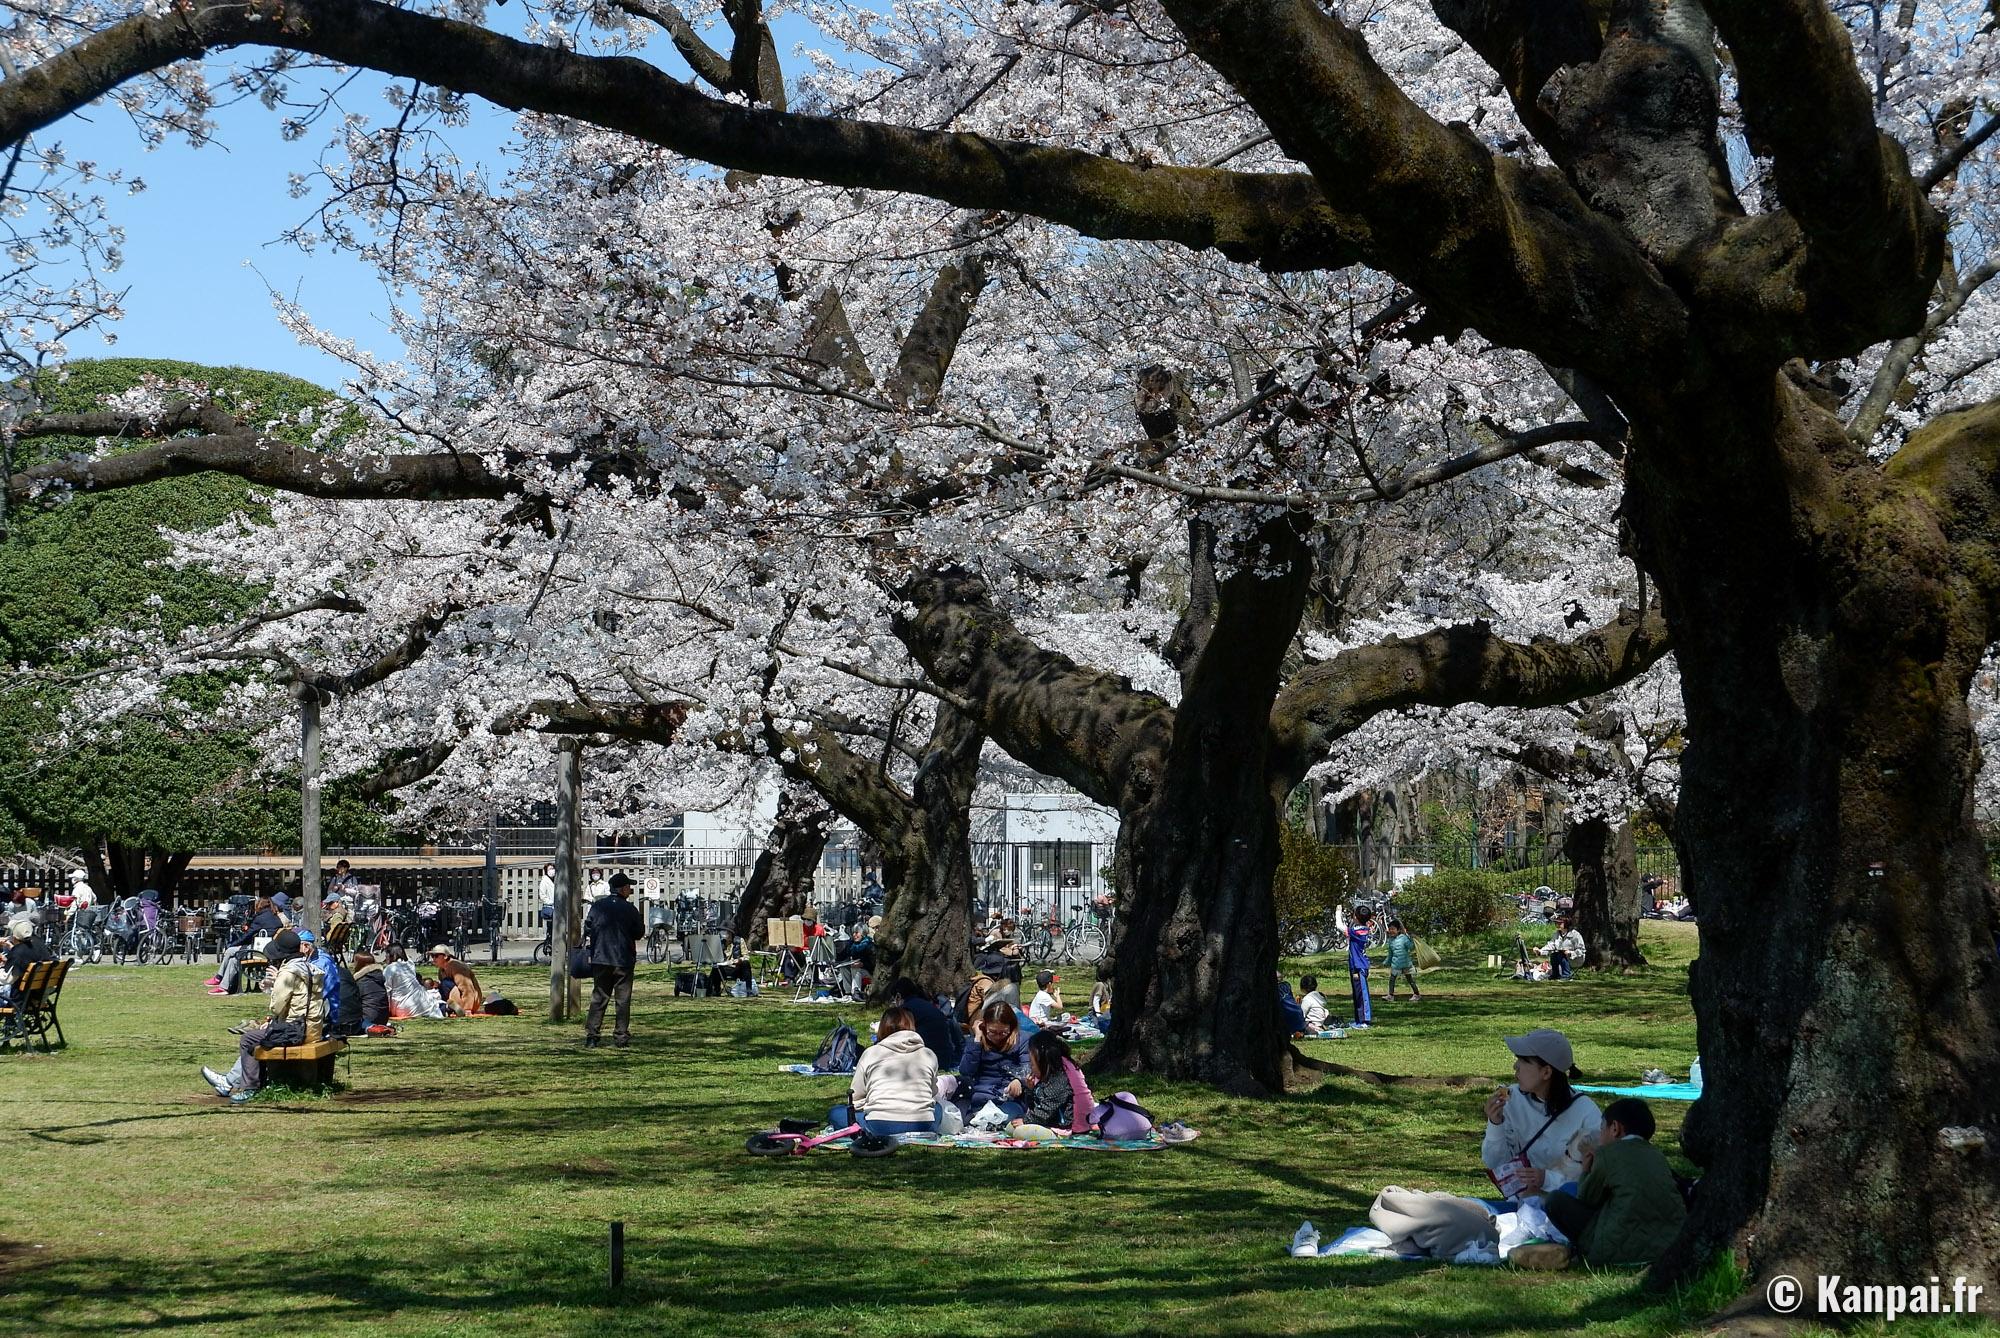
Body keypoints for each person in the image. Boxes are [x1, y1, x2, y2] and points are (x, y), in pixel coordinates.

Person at [1520, 1097, 1687, 1270]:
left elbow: (1586, 1198)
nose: (1600, 1136)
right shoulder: (1657, 1155)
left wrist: (1586, 1170)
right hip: (1667, 1244)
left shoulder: (1607, 1153)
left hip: (1616, 1248)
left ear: (1614, 1128)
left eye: (1602, 1129)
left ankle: (1582, 1248)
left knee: (1556, 1200)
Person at [199, 930, 326, 1103]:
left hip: (296, 1030)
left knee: (248, 1039)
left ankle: (250, 1088)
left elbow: (276, 1007)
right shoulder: (309, 968)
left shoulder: (288, 973)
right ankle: (230, 1083)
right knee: (262, 1033)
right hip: (313, 1028)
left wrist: (273, 987)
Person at [1481, 1029, 1602, 1200]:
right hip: (1519, 1205)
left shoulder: (1586, 1113)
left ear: (1546, 1072)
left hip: (1565, 1210)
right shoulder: (1512, 1099)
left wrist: (1546, 1179)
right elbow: (1495, 1163)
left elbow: (1595, 1179)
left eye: (1523, 1060)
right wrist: (1495, 1123)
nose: (1515, 1066)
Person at [829, 1006, 942, 1136]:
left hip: (878, 1124)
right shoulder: (928, 1054)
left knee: (836, 1113)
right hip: (923, 1124)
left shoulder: (871, 1053)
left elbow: (856, 1097)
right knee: (938, 1108)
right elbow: (932, 1092)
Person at [582, 870, 642, 1048]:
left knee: (599, 997)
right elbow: (639, 933)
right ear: (622, 889)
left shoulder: (598, 906)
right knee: (622, 1000)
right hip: (623, 959)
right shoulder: (630, 909)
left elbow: (588, 927)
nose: (629, 890)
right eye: (628, 887)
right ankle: (621, 1036)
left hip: (601, 958)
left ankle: (592, 1036)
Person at [953, 1001, 1030, 1119]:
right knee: (963, 1118)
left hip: (1009, 1098)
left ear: (1011, 1027)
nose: (998, 1037)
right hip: (980, 1095)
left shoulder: (1022, 1040)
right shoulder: (977, 1041)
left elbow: (1028, 1068)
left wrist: (1019, 1080)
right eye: (992, 1032)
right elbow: (966, 1071)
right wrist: (977, 1040)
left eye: (1003, 1032)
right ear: (984, 1026)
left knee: (1003, 1117)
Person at [1014, 1028, 1095, 1134]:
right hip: (1060, 1121)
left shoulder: (1059, 1078)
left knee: (1020, 1132)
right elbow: (1036, 1104)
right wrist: (1030, 1089)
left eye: (1032, 1064)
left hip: (1070, 1126)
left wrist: (1025, 1121)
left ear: (1043, 1061)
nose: (1031, 1068)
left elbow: (1047, 1109)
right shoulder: (1053, 1068)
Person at [211, 896, 287, 995]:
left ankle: (219, 978)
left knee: (230, 951)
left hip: (261, 950)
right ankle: (224, 987)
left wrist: (232, 944)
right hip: (270, 949)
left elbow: (247, 936)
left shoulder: (260, 918)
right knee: (234, 960)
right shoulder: (274, 916)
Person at [889, 976, 962, 1069]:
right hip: (945, 1058)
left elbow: (896, 1036)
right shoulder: (926, 1005)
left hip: (927, 1060)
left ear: (898, 996)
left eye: (893, 999)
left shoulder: (906, 1009)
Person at [300, 930, 343, 1030]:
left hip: (328, 1011)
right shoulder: (317, 955)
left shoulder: (320, 964)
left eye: (297, 947)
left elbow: (315, 992)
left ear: (306, 946)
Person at [2, 917, 51, 1003]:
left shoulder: (18, 952)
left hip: (20, 999)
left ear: (14, 936)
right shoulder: (39, 943)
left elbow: (7, 979)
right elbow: (28, 957)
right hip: (38, 994)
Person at [427, 946, 485, 1016]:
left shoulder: (457, 967)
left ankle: (455, 1008)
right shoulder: (441, 969)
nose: (433, 959)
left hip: (470, 1002)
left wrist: (467, 1009)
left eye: (436, 956)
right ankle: (445, 1008)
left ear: (445, 956)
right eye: (432, 956)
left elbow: (466, 988)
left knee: (445, 983)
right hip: (455, 998)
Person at [349, 951, 392, 1031]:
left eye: (354, 962)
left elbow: (353, 1002)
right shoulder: (378, 977)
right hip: (383, 1018)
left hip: (368, 1019)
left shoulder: (361, 981)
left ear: (359, 964)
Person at [1347, 906, 1375, 1026]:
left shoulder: (1358, 931)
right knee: (1357, 994)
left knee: (1362, 994)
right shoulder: (1362, 929)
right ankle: (1358, 1019)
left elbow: (1340, 927)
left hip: (1360, 967)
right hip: (1355, 965)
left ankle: (1365, 1021)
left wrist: (1338, 913)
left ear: (1356, 917)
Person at [1385, 918, 1422, 1001]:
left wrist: (1411, 939)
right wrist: (1387, 962)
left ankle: (1417, 994)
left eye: (1393, 929)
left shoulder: (1404, 938)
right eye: (1390, 929)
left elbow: (1411, 947)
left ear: (1398, 930)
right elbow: (1390, 953)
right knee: (1392, 979)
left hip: (1405, 963)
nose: (1391, 931)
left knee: (1410, 979)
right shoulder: (1390, 941)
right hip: (1396, 964)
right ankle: (1390, 995)